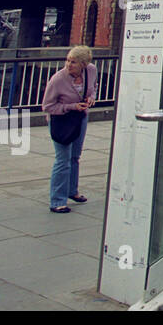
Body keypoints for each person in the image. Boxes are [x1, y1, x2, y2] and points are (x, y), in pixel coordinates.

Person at [42, 45, 97, 213]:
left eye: (73, 62)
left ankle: (72, 191)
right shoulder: (58, 79)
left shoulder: (91, 71)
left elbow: (93, 87)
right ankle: (57, 200)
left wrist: (91, 98)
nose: (68, 65)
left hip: (80, 118)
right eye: (67, 60)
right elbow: (47, 106)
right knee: (62, 160)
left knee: (75, 156)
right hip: (61, 120)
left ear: (84, 64)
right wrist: (72, 106)